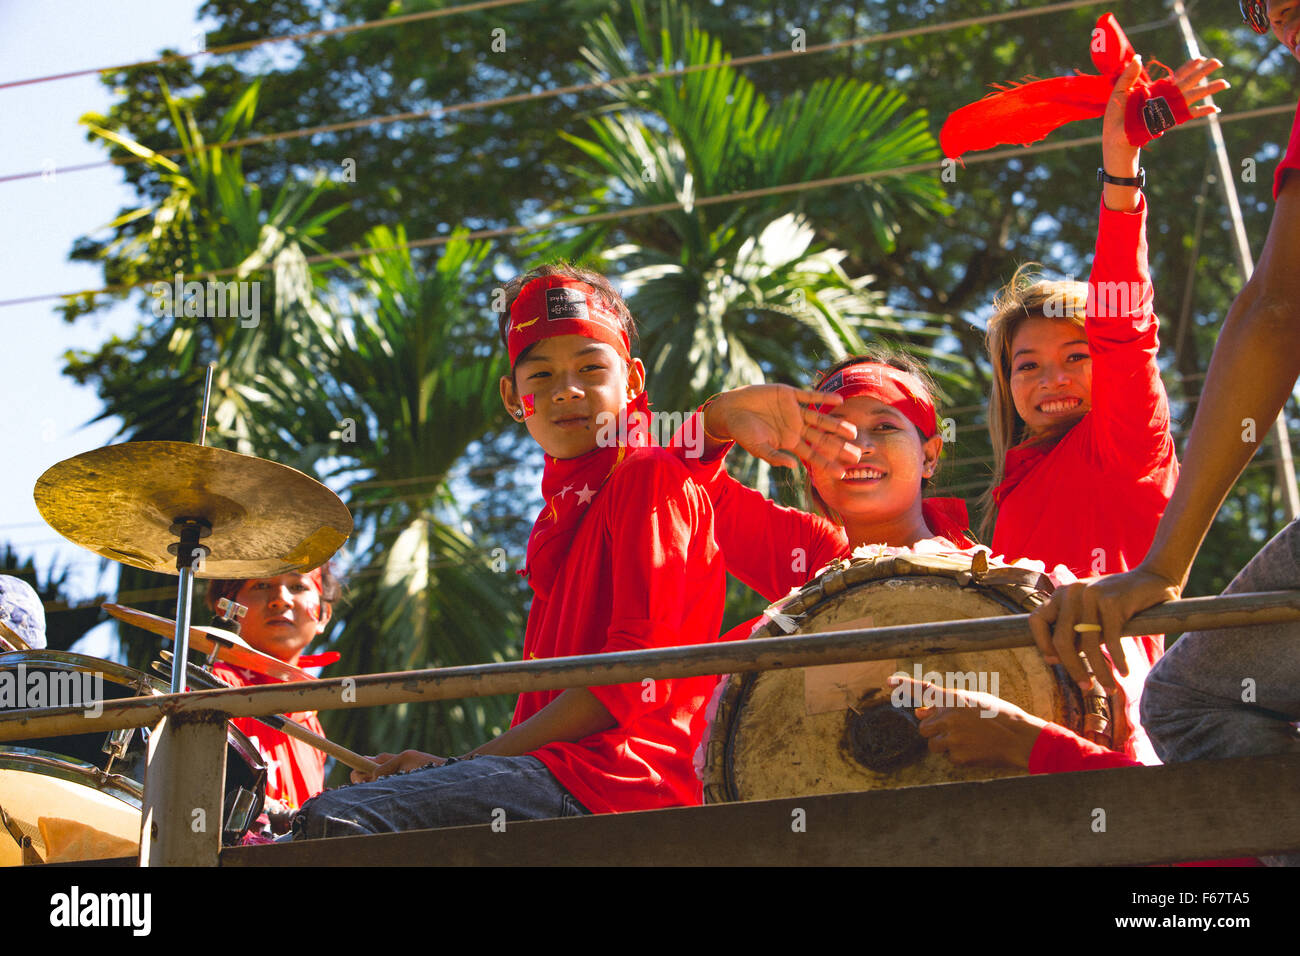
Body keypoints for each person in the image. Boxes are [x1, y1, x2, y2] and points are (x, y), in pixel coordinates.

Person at [288, 264, 726, 840]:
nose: (565, 390)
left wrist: (463, 767)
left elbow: (627, 680)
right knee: (349, 800)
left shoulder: (648, 476)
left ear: (635, 380)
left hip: (620, 784)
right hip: (562, 776)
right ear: (512, 397)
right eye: (539, 374)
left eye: (591, 368)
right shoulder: (560, 514)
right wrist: (454, 770)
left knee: (340, 817)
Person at [1028, 0, 1300, 779]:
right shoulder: (979, 512)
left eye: (1071, 355)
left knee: (1187, 701)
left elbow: (1126, 324)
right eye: (1023, 364)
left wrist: (1120, 175)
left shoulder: (1129, 434)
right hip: (1021, 776)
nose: (1051, 377)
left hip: (1118, 765)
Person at [204, 566, 342, 834]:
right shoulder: (214, 688)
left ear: (324, 615)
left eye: (299, 587)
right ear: (226, 608)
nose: (281, 599)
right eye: (261, 586)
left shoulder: (311, 721)